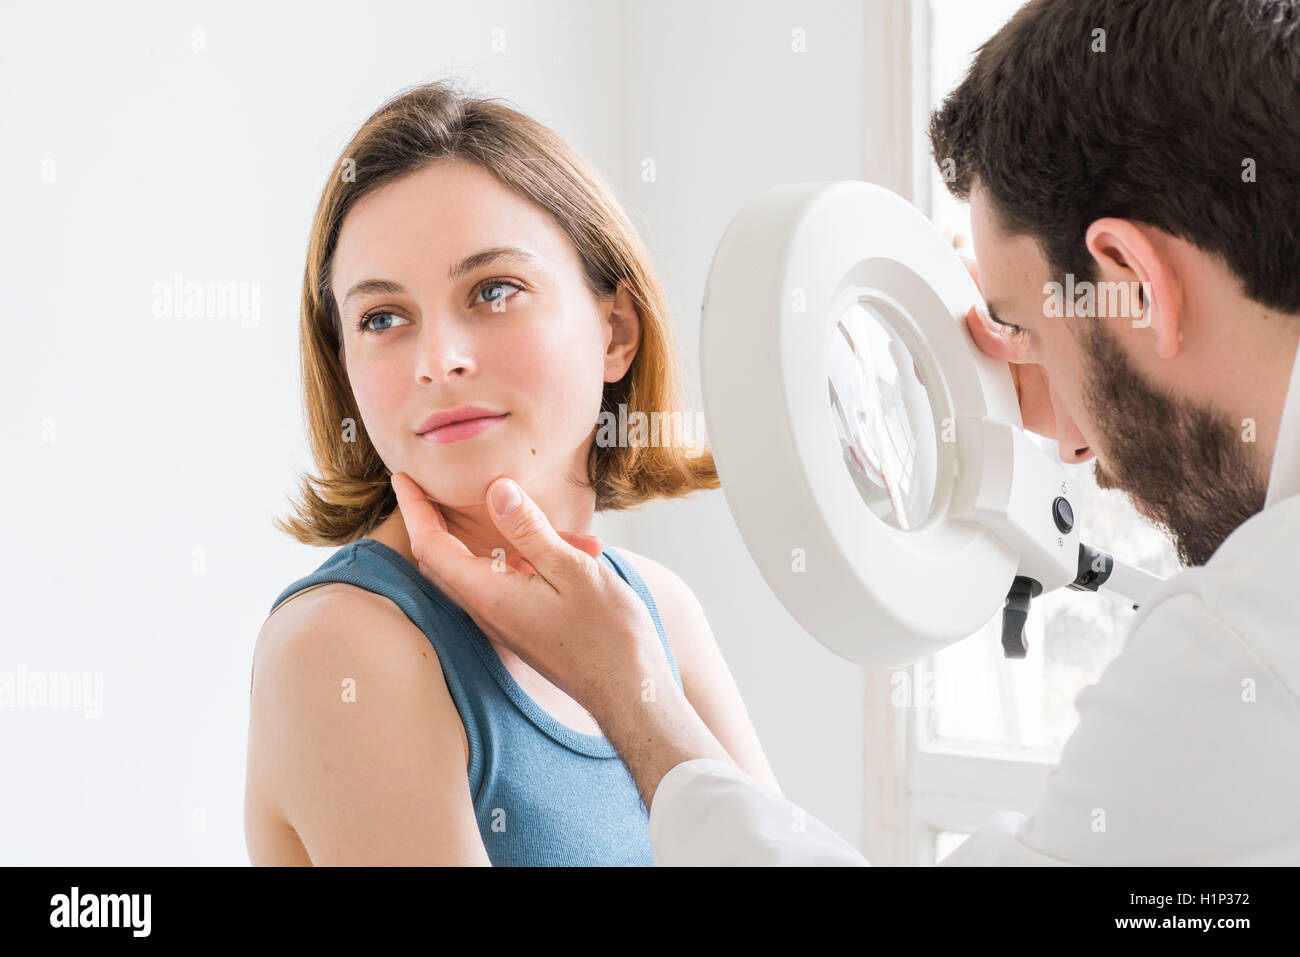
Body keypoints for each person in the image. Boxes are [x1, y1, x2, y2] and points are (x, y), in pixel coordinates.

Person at [392, 0, 1300, 865]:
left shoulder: (1243, 646)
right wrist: (1083, 363)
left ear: (1131, 279)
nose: (1065, 438)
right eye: (381, 318)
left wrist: (633, 695)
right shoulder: (353, 641)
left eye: (1022, 324)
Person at [244, 80, 780, 866]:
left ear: (616, 332)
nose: (439, 360)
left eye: (494, 290)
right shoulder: (343, 648)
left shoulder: (660, 613)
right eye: (382, 318)